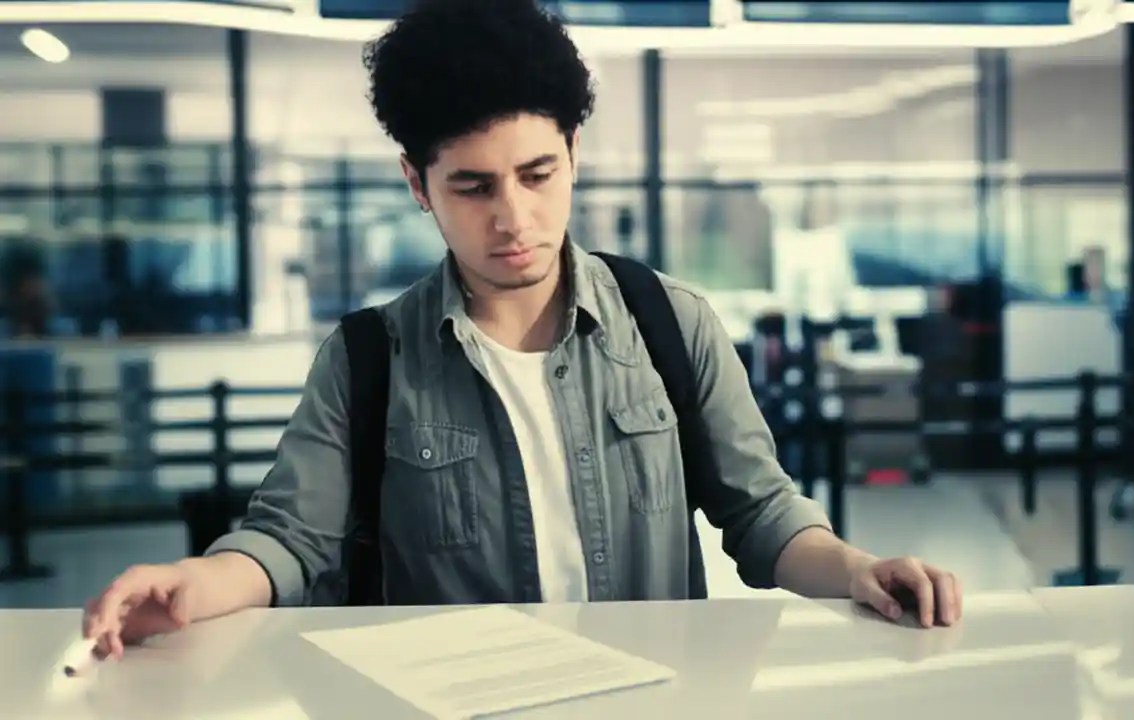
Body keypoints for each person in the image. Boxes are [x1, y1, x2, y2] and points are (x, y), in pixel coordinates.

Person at [81, 0, 963, 662]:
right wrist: (194, 584)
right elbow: (291, 540)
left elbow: (762, 513)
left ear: (574, 152)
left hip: (651, 697)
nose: (515, 217)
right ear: (417, 184)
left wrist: (854, 569)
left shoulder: (668, 322)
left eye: (538, 174)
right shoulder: (366, 361)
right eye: (472, 187)